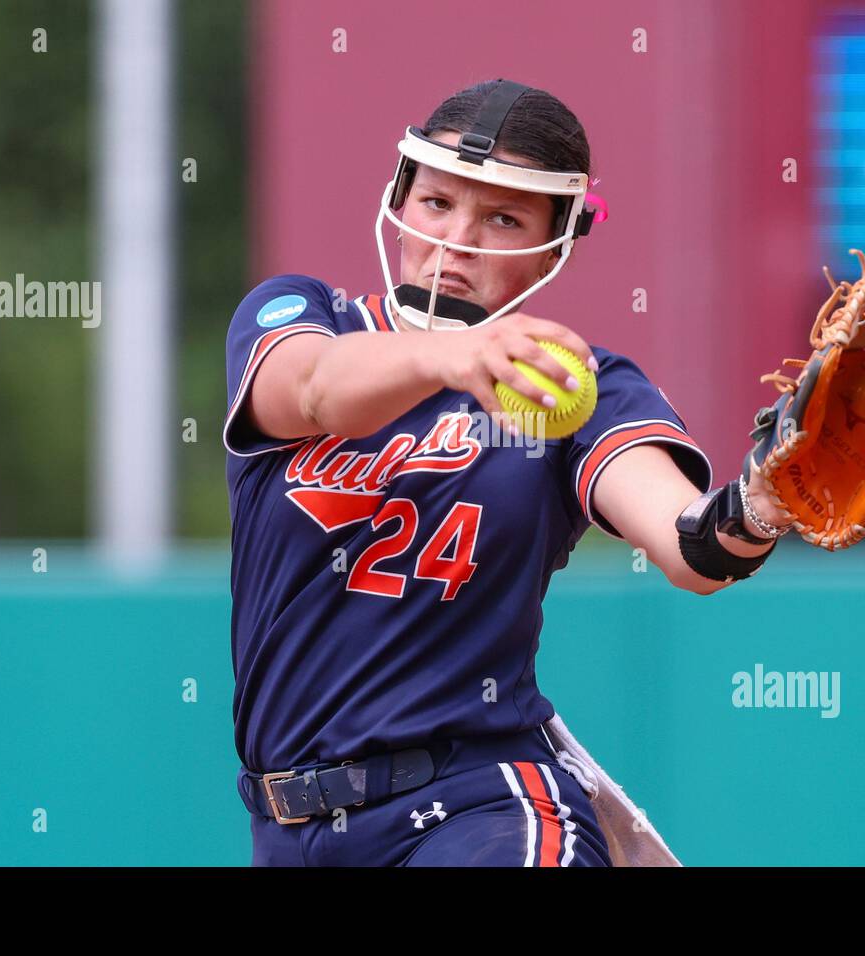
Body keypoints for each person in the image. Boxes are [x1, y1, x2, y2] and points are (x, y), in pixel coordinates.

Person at [223, 79, 794, 867]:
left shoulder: (572, 387)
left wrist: (761, 504)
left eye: (503, 217)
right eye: (436, 201)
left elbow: (692, 546)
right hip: (287, 829)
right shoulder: (303, 317)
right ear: (399, 196)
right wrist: (455, 356)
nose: (458, 239)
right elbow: (313, 392)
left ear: (555, 245)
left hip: (478, 808)